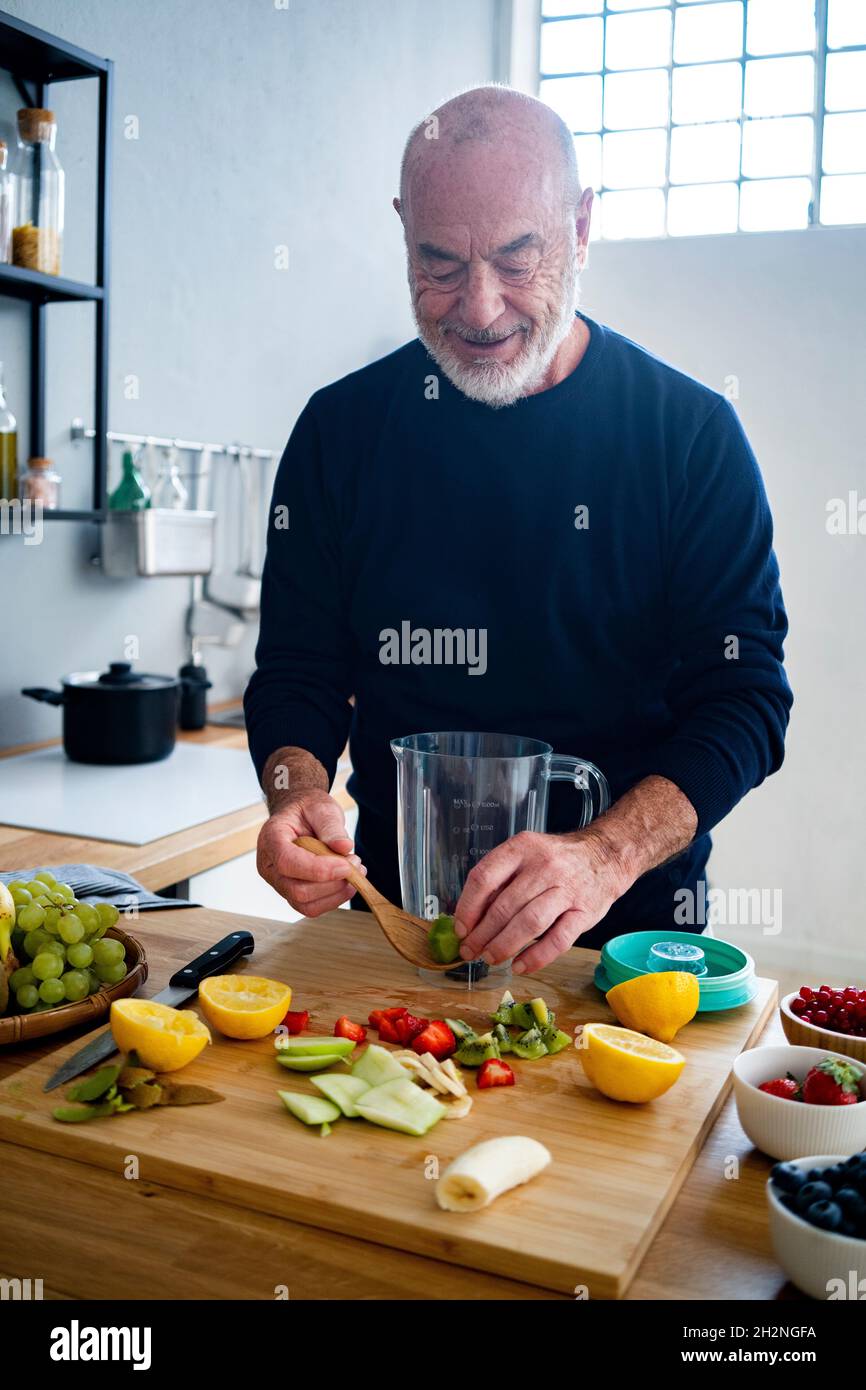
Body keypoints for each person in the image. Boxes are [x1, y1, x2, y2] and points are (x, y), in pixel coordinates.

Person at [244, 85, 792, 975]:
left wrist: (601, 859)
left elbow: (746, 701)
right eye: (440, 264)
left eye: (515, 258)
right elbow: (298, 674)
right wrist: (294, 792)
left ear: (579, 228)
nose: (481, 309)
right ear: (402, 229)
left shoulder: (689, 437)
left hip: (627, 946)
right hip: (399, 934)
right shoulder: (339, 432)